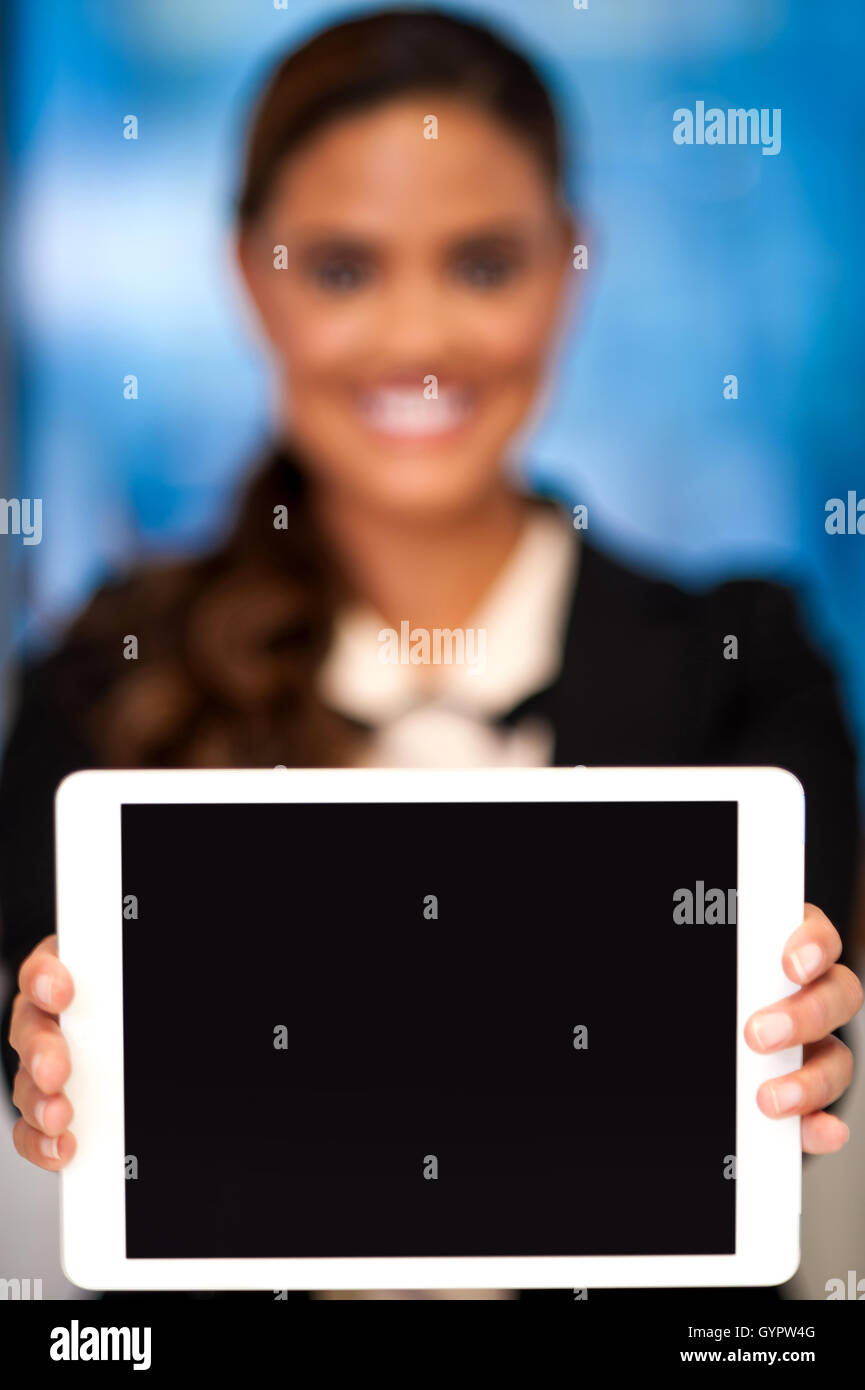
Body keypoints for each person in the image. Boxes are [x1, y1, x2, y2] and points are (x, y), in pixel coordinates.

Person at [1, 6, 862, 1303]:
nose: (416, 340)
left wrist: (813, 1037)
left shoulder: (746, 666)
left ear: (572, 266)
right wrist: (36, 1069)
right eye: (342, 269)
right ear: (249, 274)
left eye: (482, 263)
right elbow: (46, 1090)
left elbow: (776, 1100)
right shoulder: (101, 670)